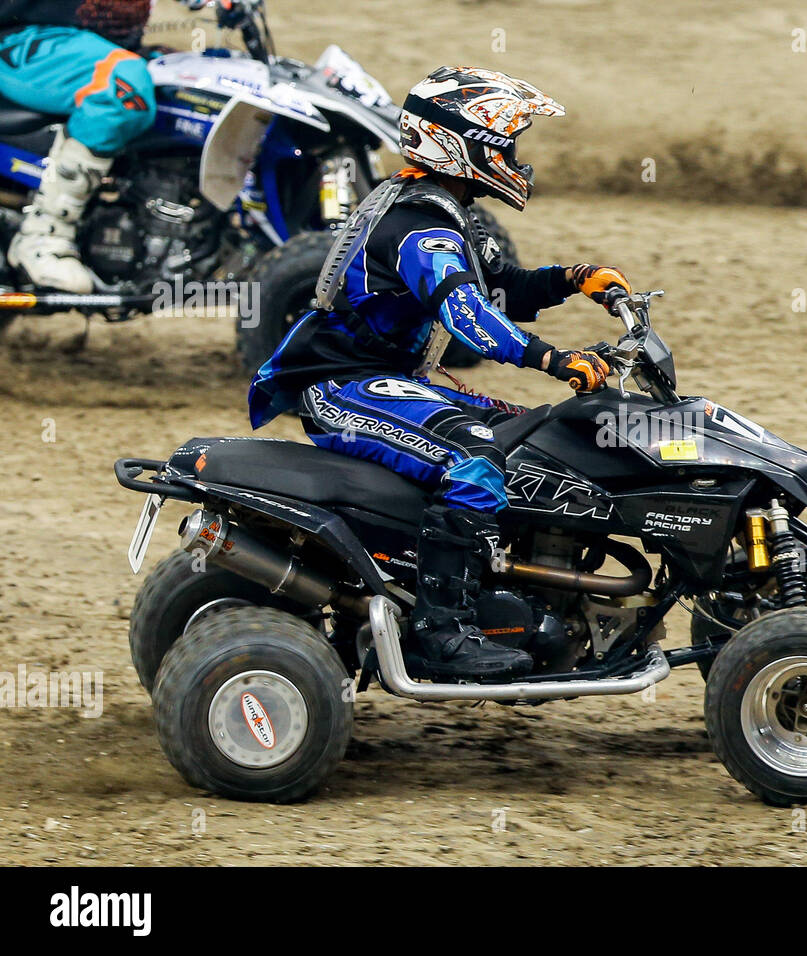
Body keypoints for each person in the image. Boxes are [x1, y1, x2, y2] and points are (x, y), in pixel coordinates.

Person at [248, 66, 632, 681]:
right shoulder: (418, 227)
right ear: (460, 145)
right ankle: (439, 632)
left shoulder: (442, 208)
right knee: (475, 459)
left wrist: (572, 280)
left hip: (386, 381)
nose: (514, 159)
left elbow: (500, 287)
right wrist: (554, 360)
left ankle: (512, 590)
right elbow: (468, 314)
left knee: (535, 437)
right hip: (345, 388)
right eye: (503, 145)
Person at [0, 1, 249, 291]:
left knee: (200, 79)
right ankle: (43, 235)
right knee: (123, 87)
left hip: (91, 40)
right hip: (21, 36)